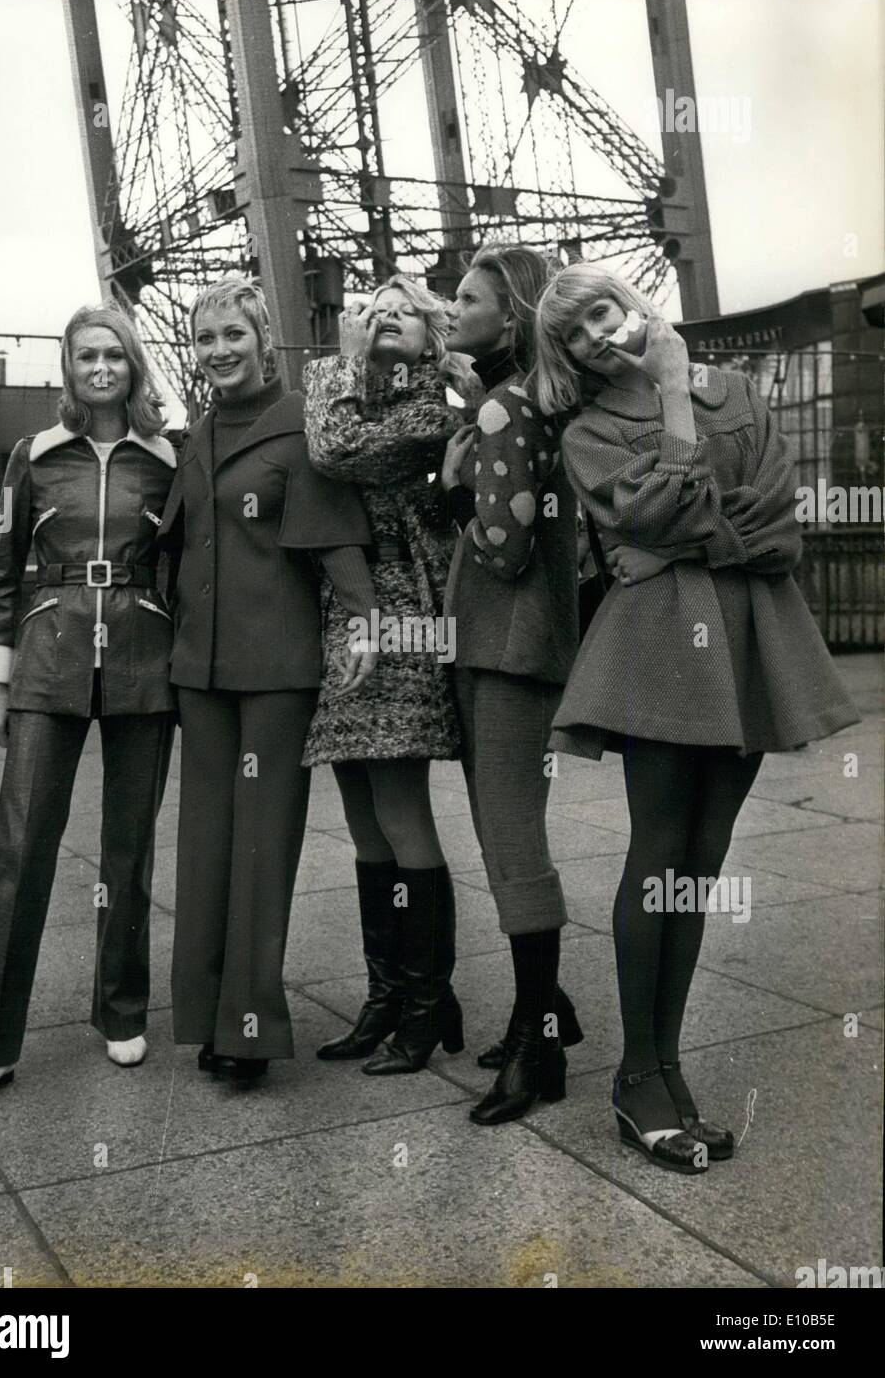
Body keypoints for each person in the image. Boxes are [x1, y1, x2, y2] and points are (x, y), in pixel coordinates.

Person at [532, 261, 859, 1173]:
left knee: (701, 863)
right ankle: (638, 1075)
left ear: (630, 302)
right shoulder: (591, 432)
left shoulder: (745, 397)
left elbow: (779, 528)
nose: (597, 334)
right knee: (658, 850)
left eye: (601, 311)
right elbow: (654, 513)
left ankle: (665, 1068)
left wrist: (675, 543)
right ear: (570, 359)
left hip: (751, 638)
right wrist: (673, 393)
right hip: (658, 650)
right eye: (574, 336)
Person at [0, 304, 178, 1116]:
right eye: (86, 356)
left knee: (129, 851)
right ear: (69, 369)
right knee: (15, 850)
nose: (101, 369)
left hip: (143, 669)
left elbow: (183, 570)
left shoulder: (164, 458)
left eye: (114, 355)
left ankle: (120, 1009)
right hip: (47, 665)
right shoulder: (35, 457)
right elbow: (3, 572)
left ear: (133, 364)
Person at [158, 277, 378, 1086]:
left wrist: (363, 620)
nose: (219, 351)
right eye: (206, 338)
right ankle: (207, 1016)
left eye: (234, 336)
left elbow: (332, 541)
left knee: (261, 846)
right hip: (201, 671)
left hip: (278, 670)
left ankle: (247, 1029)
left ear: (264, 338)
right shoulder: (201, 434)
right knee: (205, 847)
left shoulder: (297, 428)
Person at [439, 244, 587, 1126]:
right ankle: (552, 1013)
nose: (451, 309)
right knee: (508, 836)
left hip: (502, 649)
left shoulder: (504, 410)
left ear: (511, 315)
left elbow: (502, 549)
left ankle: (537, 1046)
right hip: (521, 647)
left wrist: (455, 490)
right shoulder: (536, 401)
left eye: (467, 298)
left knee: (510, 844)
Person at [302, 275, 465, 1075]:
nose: (385, 321)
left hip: (406, 611)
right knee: (362, 810)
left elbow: (332, 453)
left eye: (404, 315)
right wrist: (341, 368)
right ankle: (389, 994)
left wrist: (338, 363)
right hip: (343, 614)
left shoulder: (431, 409)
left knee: (399, 806)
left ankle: (428, 1001)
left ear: (434, 339)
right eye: (372, 313)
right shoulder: (343, 390)